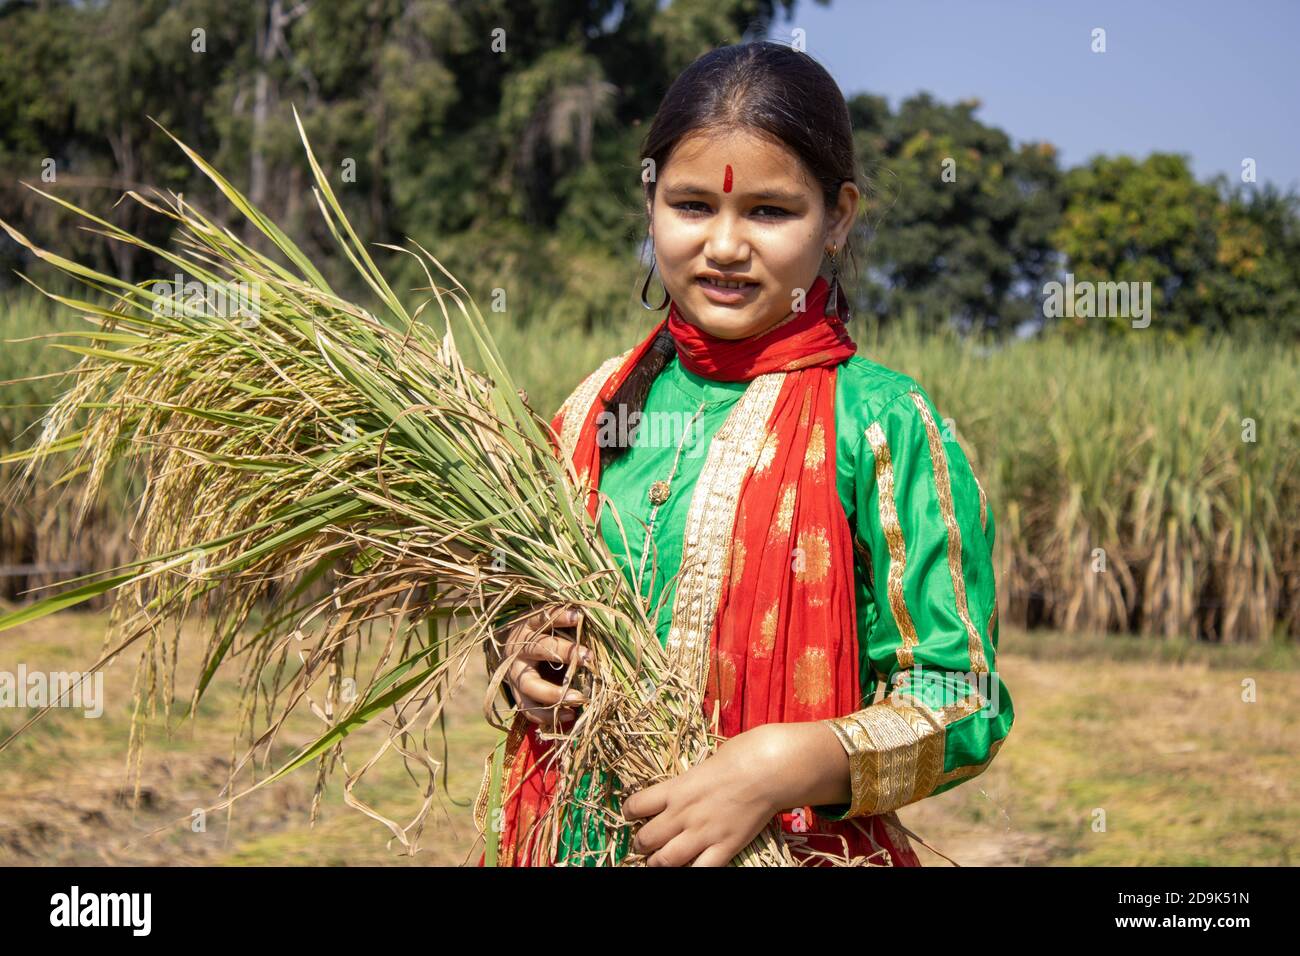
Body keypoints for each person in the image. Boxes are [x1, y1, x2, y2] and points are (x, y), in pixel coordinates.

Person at [474, 40, 1013, 867]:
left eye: (768, 212)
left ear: (837, 218)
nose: (725, 246)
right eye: (692, 207)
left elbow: (962, 702)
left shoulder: (883, 425)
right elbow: (518, 613)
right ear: (650, 204)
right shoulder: (591, 412)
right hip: (569, 840)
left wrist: (777, 767)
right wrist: (519, 662)